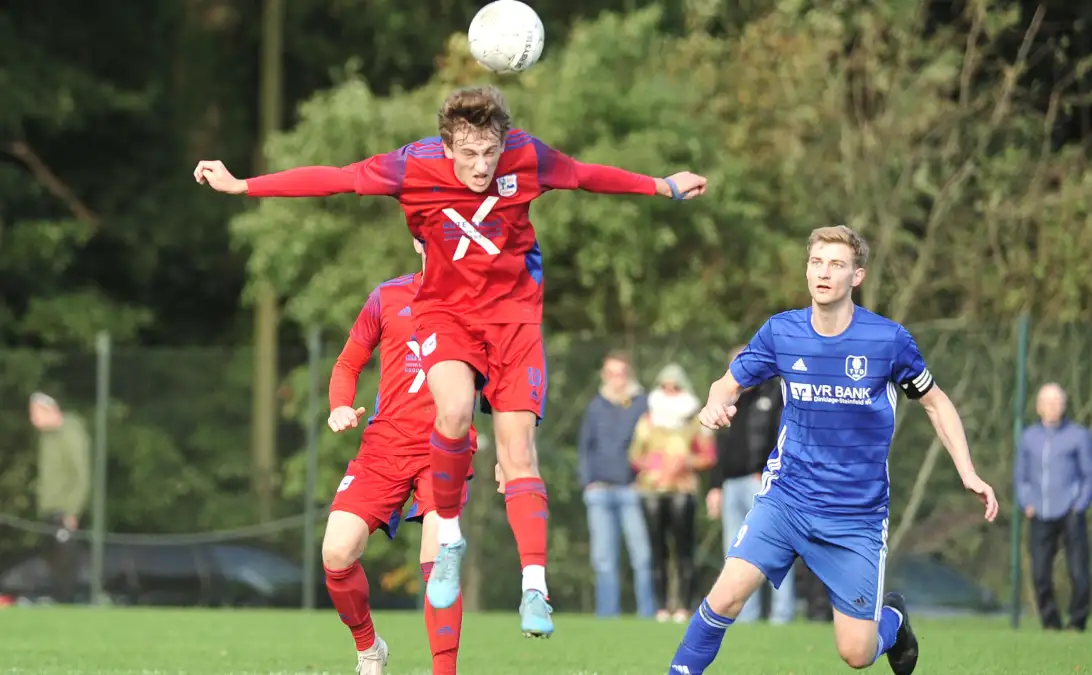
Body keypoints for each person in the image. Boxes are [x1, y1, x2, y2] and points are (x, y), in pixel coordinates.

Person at [194, 85, 707, 637]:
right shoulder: (410, 166)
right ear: (446, 145)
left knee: (518, 454)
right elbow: (335, 178)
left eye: (490, 152)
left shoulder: (526, 156)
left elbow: (584, 175)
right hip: (446, 315)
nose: (481, 166)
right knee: (456, 411)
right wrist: (243, 185)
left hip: (514, 320)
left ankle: (535, 589)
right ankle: (451, 540)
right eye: (468, 154)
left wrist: (663, 186)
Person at [665, 225, 999, 675]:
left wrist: (968, 471)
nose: (824, 273)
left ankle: (894, 620)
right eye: (816, 262)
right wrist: (714, 404)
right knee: (725, 596)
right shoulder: (781, 332)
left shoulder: (887, 341)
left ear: (856, 276)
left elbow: (936, 403)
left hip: (855, 515)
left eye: (837, 264)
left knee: (857, 654)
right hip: (787, 500)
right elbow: (727, 384)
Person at [322, 239, 475, 675]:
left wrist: (512, 454)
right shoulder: (387, 296)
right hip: (385, 445)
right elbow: (348, 363)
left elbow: (501, 381)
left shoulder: (479, 301)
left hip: (445, 445)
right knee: (336, 553)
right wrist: (338, 404)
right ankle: (370, 649)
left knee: (438, 562)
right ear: (416, 240)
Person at [705, 350, 798, 625]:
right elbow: (718, 449)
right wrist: (715, 486)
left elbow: (785, 437)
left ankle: (782, 616)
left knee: (775, 549)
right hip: (731, 485)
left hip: (762, 483)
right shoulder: (728, 401)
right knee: (735, 553)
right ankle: (746, 617)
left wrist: (768, 471)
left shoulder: (776, 395)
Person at [630, 363, 715, 622]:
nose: (669, 391)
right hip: (652, 490)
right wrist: (651, 464)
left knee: (684, 551)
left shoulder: (694, 423)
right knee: (657, 551)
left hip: (682, 490)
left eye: (674, 387)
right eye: (665, 386)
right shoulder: (647, 420)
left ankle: (685, 606)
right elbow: (635, 454)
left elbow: (708, 456)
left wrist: (687, 462)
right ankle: (661, 607)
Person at [1015, 382, 1092, 632]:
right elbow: (1020, 477)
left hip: (1071, 512)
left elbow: (1091, 474)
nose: (1053, 407)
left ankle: (1077, 621)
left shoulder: (1079, 435)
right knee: (1040, 573)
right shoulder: (1028, 438)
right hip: (1039, 512)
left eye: (1057, 402)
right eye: (1048, 403)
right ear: (1039, 407)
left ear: (1064, 406)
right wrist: (1026, 502)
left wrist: (1080, 504)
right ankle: (1050, 622)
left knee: (1078, 571)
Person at [577, 351, 656, 619]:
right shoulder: (595, 405)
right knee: (603, 560)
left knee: (642, 557)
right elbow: (585, 447)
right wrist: (588, 483)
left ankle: (647, 614)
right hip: (599, 491)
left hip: (631, 490)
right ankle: (606, 617)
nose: (615, 379)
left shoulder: (643, 403)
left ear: (629, 375)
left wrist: (642, 481)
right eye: (610, 374)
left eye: (620, 373)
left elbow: (652, 447)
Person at [30, 393, 90, 604]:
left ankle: (66, 602)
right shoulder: (47, 437)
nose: (33, 420)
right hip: (49, 509)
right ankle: (57, 600)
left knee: (65, 560)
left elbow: (80, 475)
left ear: (50, 410)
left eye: (36, 414)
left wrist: (72, 511)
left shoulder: (70, 433)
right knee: (52, 558)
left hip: (64, 511)